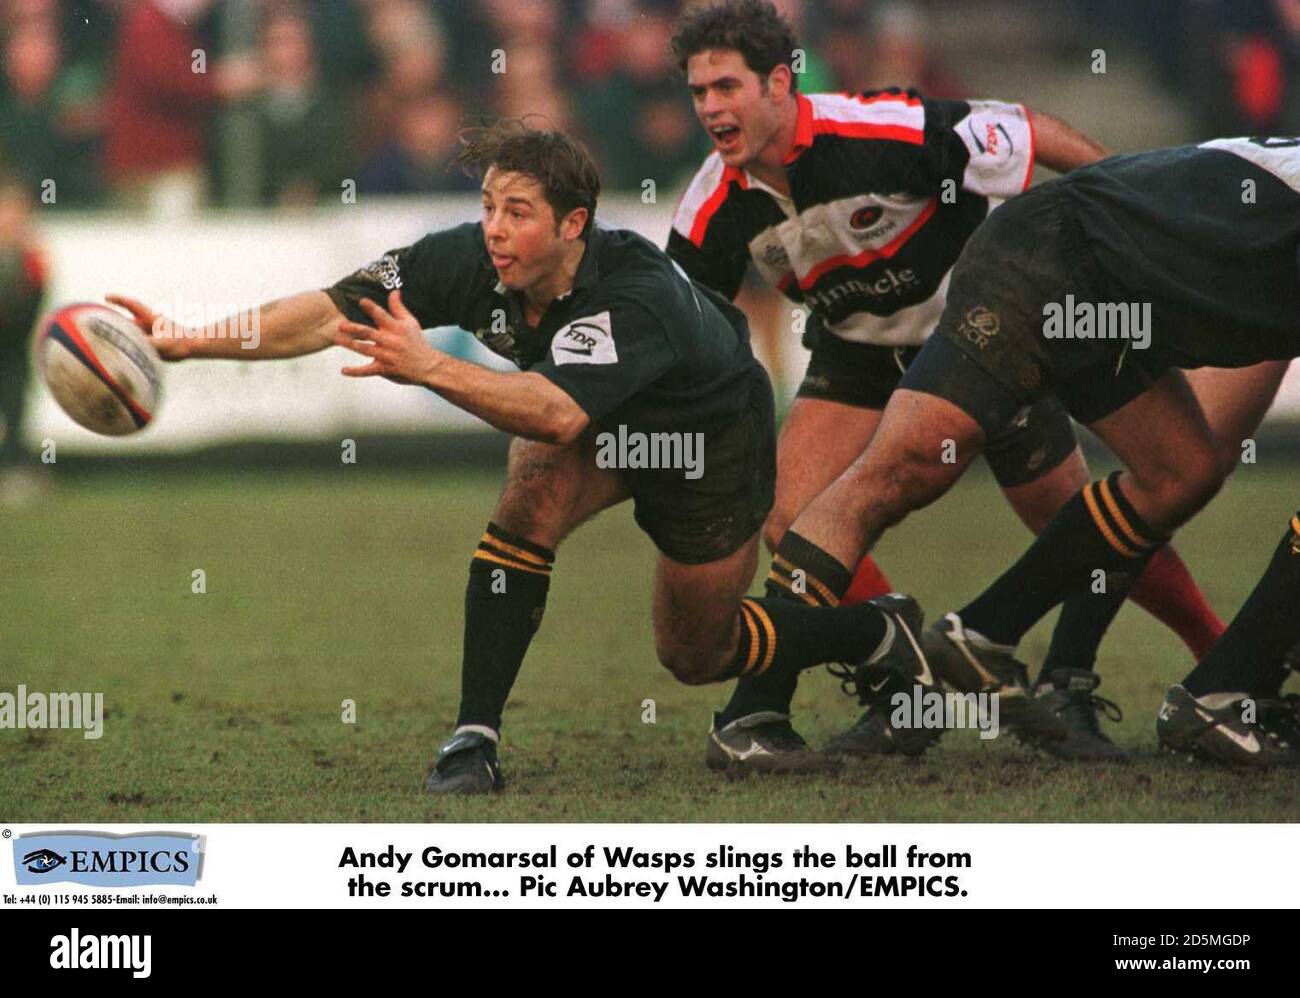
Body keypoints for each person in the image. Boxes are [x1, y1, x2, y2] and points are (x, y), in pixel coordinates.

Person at [107, 123, 936, 792]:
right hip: (596, 430)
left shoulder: (635, 294)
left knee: (695, 654)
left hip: (707, 442)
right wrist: (192, 342)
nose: (495, 229)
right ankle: (474, 737)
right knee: (530, 489)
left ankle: (872, 630)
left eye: (518, 212)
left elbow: (555, 405)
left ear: (574, 224)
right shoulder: (468, 256)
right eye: (489, 206)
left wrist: (426, 361)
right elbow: (328, 313)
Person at [666, 0, 1223, 764]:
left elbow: (1028, 129)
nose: (710, 108)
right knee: (789, 515)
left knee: (1076, 523)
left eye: (725, 87)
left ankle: (1217, 662)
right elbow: (685, 329)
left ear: (778, 84)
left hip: (983, 336)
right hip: (857, 352)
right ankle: (907, 683)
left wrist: (1129, 203)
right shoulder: (709, 208)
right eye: (698, 93)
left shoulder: (879, 129)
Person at [771, 135, 1300, 767]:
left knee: (1178, 473)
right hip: (1050, 259)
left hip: (1094, 280)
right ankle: (760, 704)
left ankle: (984, 636)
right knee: (890, 478)